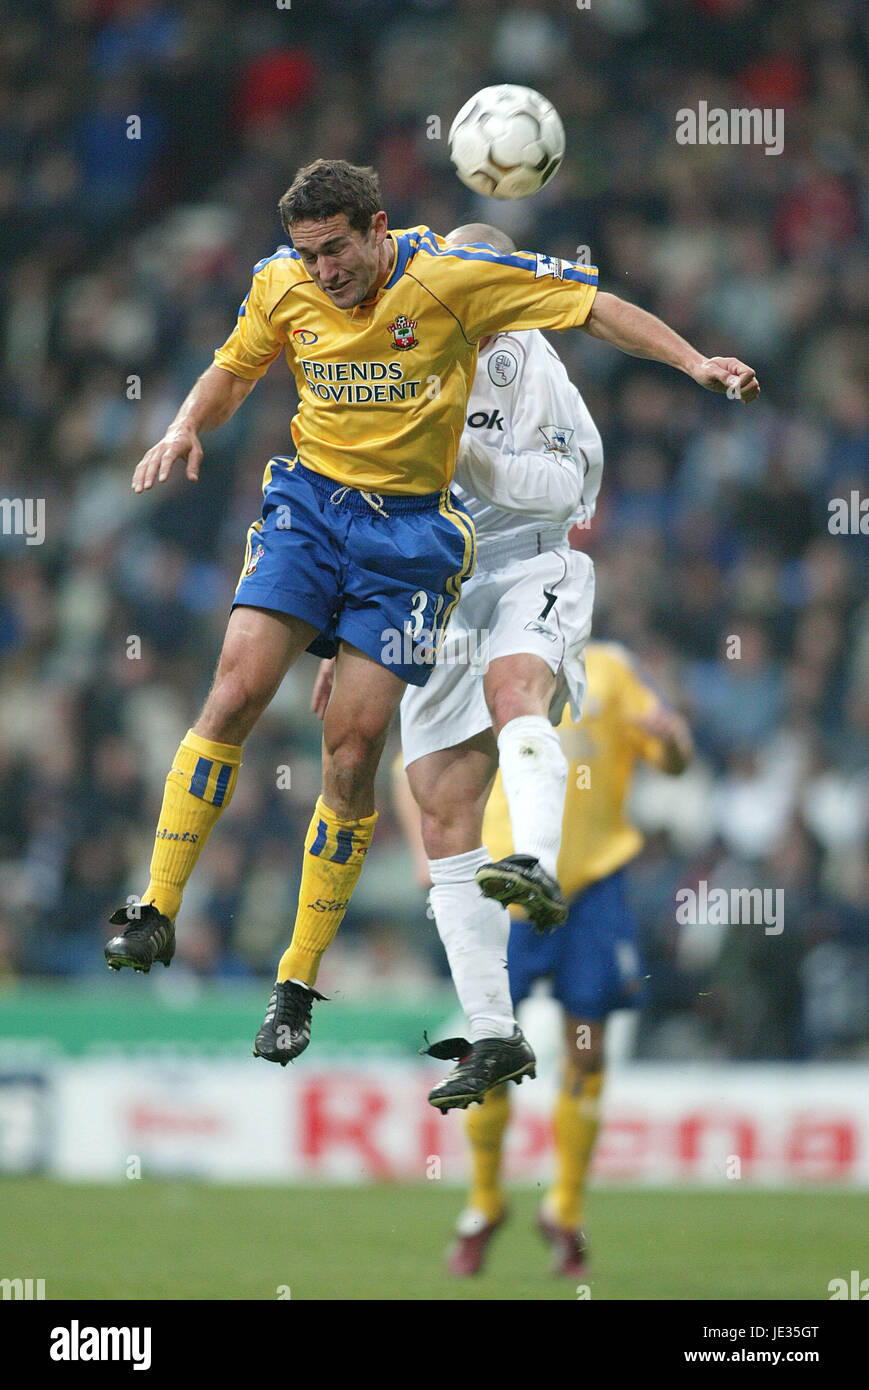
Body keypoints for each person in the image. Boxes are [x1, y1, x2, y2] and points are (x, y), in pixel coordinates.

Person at [103, 158, 757, 1078]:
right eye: (309, 253)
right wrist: (182, 426)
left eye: (336, 249)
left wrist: (693, 361)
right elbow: (235, 363)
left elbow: (593, 328)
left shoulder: (472, 302)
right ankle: (162, 906)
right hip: (333, 523)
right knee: (269, 710)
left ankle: (331, 963)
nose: (322, 269)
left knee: (381, 744)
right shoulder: (284, 283)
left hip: (442, 553)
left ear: (376, 229)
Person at [394, 641, 693, 1275]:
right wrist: (426, 856)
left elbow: (671, 759)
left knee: (585, 1048)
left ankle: (565, 1207)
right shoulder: (483, 657)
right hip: (500, 887)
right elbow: (407, 765)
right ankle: (484, 1203)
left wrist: (671, 741)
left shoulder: (612, 669)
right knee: (491, 1045)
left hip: (591, 890)